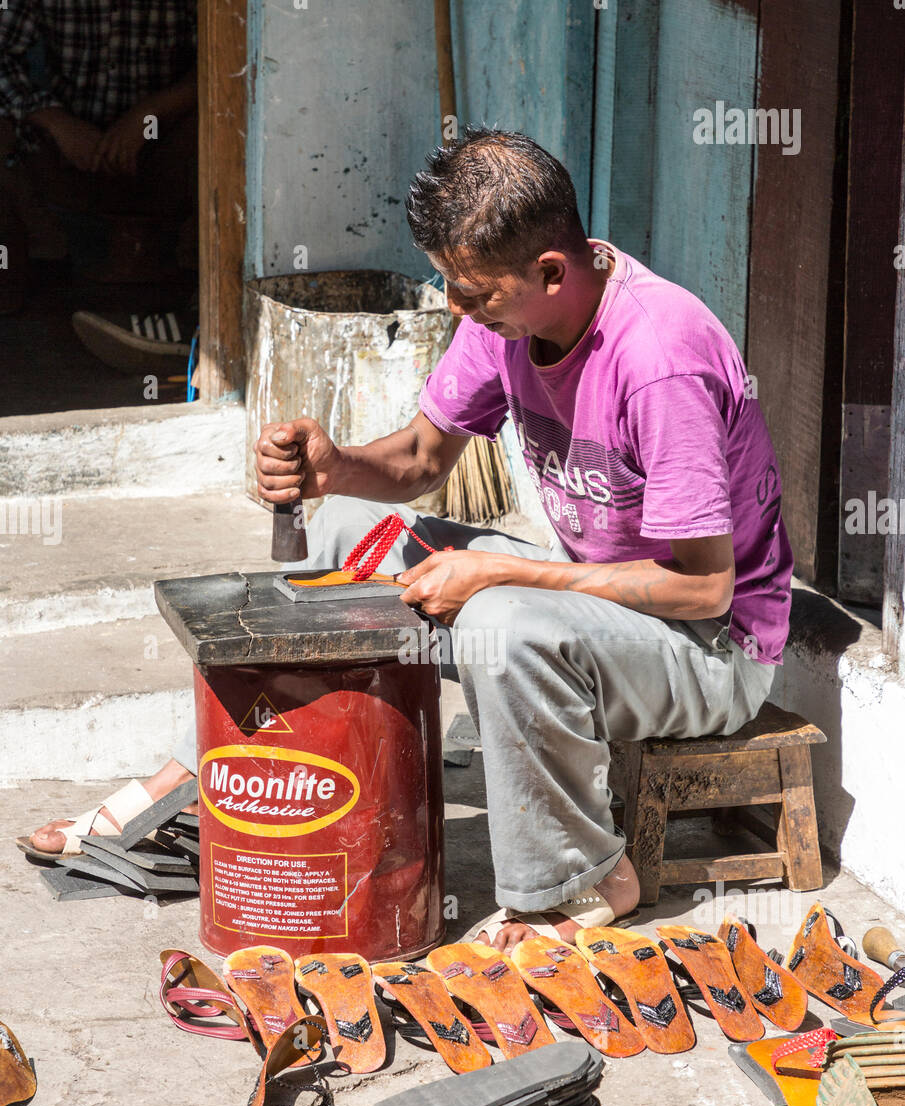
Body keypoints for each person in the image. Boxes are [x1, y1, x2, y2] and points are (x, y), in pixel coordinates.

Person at [23, 127, 792, 953]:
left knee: (501, 620)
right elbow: (422, 458)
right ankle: (202, 788)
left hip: (706, 648)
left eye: (473, 294)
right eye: (451, 287)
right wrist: (333, 467)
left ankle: (580, 877)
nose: (457, 310)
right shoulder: (505, 314)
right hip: (596, 598)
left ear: (550, 273)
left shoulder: (658, 358)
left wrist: (497, 573)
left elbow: (703, 589)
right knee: (348, 529)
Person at [0, 0, 197, 317]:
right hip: (66, 152)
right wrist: (55, 121)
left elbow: (222, 59)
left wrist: (147, 116)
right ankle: (33, 275)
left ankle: (196, 290)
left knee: (221, 121)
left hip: (163, 148)